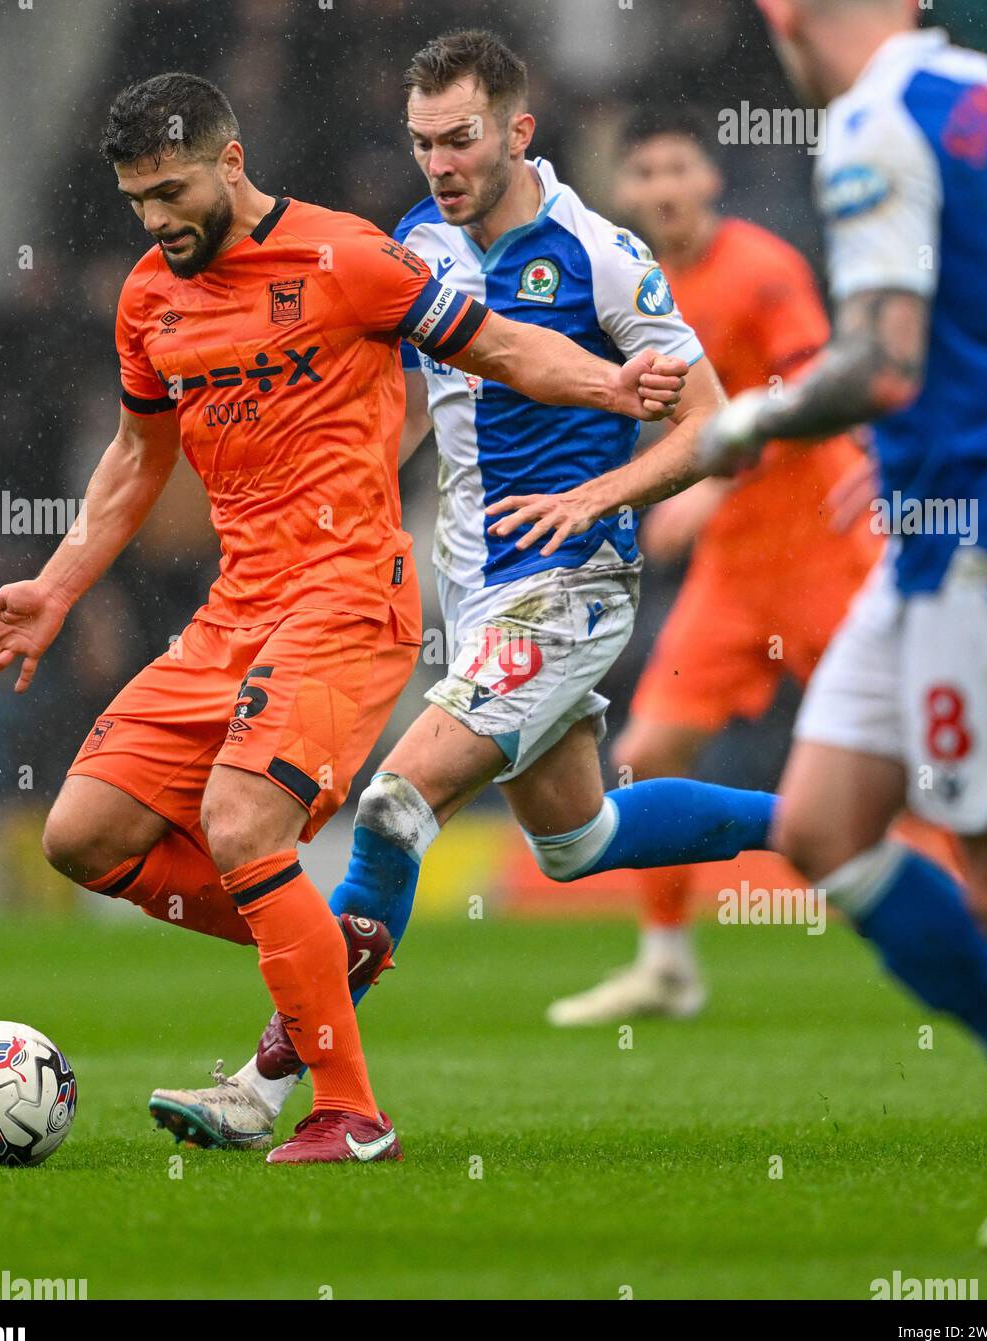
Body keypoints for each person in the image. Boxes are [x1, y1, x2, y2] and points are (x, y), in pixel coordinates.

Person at [0, 69, 689, 1167]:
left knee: (246, 826)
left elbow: (495, 345)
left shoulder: (346, 256)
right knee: (82, 837)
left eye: (170, 191)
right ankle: (332, 943)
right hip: (230, 614)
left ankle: (351, 1114)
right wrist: (56, 586)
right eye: (135, 202)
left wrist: (608, 385)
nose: (156, 221)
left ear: (231, 161)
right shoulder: (148, 297)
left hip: (347, 597)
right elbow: (133, 458)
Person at [488, 0, 987, 1249]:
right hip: (926, 535)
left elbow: (880, 361)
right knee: (818, 824)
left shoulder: (867, 126)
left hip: (973, 532)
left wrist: (740, 429)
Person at [147, 31, 781, 1146]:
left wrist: (601, 496)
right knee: (577, 840)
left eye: (460, 138)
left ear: (517, 131)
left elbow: (717, 425)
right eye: (421, 142)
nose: (438, 162)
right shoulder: (416, 243)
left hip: (571, 583)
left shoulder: (600, 254)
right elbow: (389, 401)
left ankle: (274, 1090)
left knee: (394, 805)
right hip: (473, 592)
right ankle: (831, 818)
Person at [547, 106, 880, 1026]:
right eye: (643, 172)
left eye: (676, 168)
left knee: (911, 756)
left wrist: (705, 489)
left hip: (825, 548)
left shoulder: (762, 271)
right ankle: (665, 965)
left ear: (710, 180)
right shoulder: (625, 284)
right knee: (650, 751)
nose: (660, 188)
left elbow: (810, 397)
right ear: (621, 190)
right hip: (736, 574)